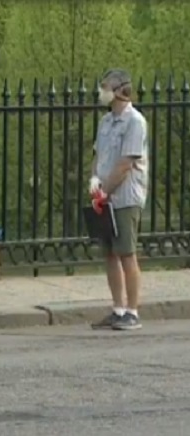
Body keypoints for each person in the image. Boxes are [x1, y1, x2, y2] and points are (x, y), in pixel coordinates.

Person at [89, 69, 149, 331]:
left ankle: (132, 311)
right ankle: (118, 308)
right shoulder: (105, 122)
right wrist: (94, 180)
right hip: (105, 197)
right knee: (110, 254)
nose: (101, 91)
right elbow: (98, 155)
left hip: (125, 197)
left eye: (105, 87)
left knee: (127, 253)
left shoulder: (135, 122)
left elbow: (125, 164)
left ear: (118, 90)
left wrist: (106, 192)